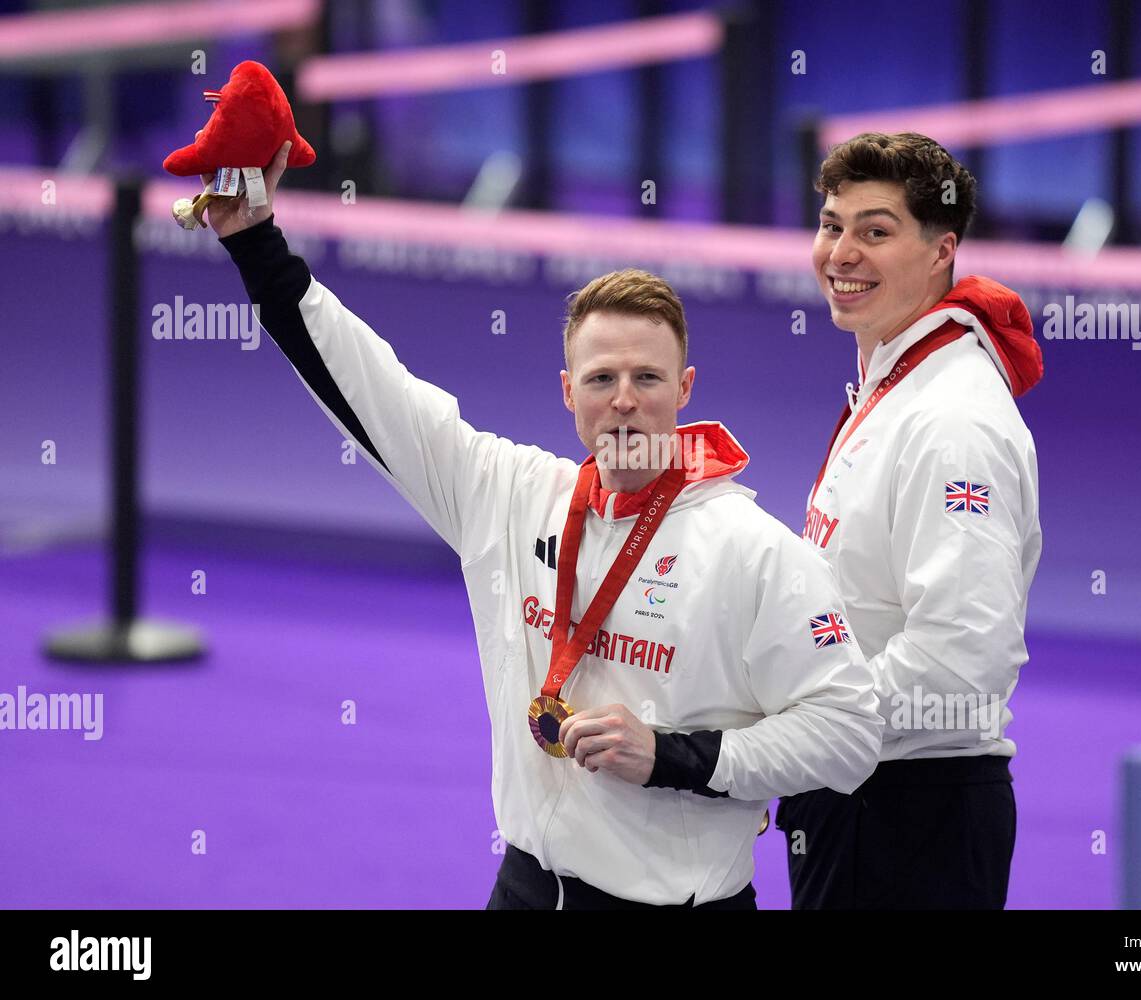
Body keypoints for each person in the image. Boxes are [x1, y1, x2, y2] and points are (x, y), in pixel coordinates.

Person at [200, 141, 884, 909]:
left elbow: (852, 734)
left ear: (684, 387)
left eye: (647, 378)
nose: (624, 399)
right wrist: (255, 240)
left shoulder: (756, 551)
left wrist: (675, 757)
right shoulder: (511, 492)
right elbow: (371, 393)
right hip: (526, 888)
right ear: (568, 393)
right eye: (601, 379)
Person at [776, 132, 1044, 909]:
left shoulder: (952, 419)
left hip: (908, 812)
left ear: (941, 251)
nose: (842, 252)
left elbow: (961, 665)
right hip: (864, 791)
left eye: (876, 230)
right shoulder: (897, 380)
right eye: (832, 225)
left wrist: (795, 739)